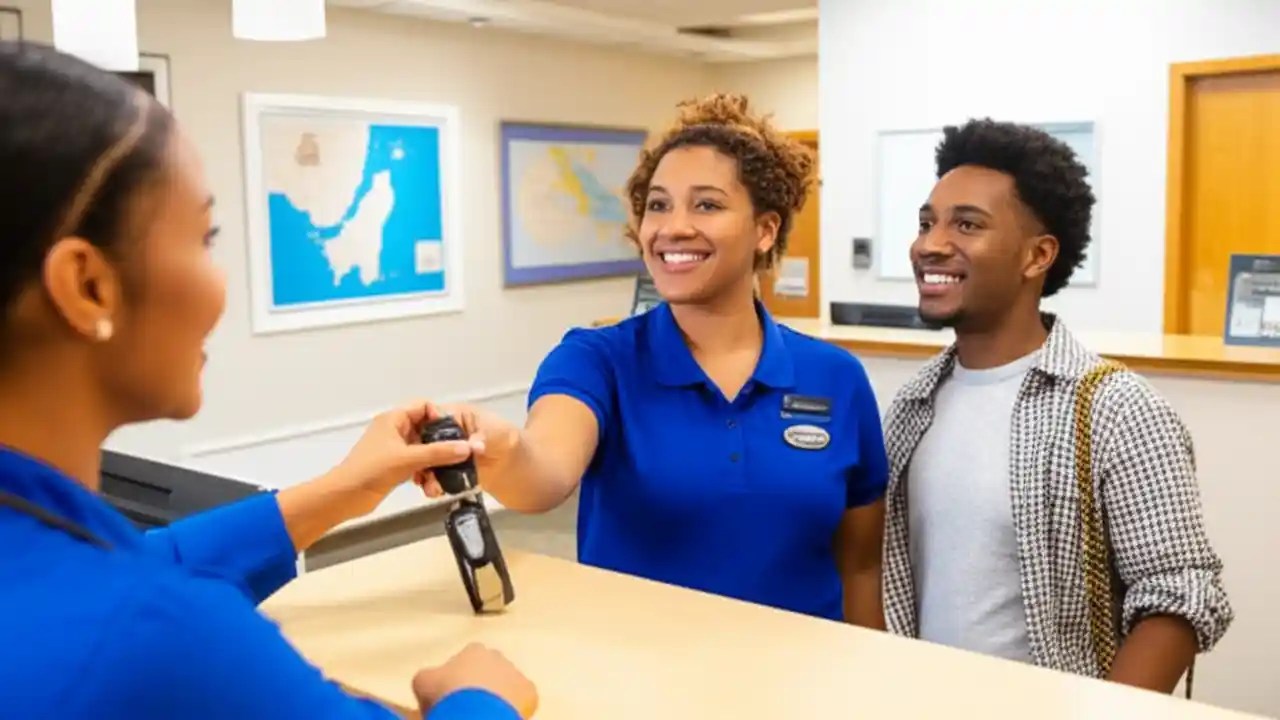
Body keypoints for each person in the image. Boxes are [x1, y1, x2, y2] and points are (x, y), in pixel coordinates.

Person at [0, 42, 536, 719]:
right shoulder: (158, 638)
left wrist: (345, 488)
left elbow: (147, 558)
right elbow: (142, 606)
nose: (221, 281)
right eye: (205, 237)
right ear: (87, 286)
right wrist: (481, 699)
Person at [424, 94, 889, 626]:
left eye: (707, 205)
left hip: (809, 684)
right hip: (643, 682)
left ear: (765, 230)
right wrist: (502, 448)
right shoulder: (597, 360)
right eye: (658, 205)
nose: (672, 227)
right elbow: (543, 476)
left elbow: (859, 566)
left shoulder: (836, 378)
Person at [879, 118, 1233, 693]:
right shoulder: (913, 405)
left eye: (966, 224)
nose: (930, 244)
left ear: (1037, 255)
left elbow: (1179, 594)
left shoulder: (1117, 410)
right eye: (927, 222)